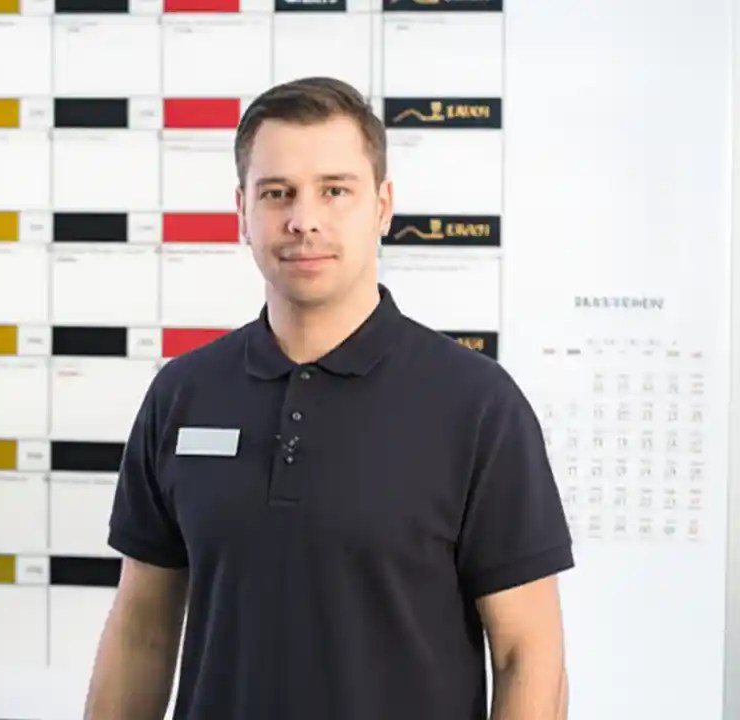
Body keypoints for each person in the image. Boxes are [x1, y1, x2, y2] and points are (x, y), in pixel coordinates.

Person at [83, 77, 574, 720]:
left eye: (335, 191)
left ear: (382, 205)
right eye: (276, 193)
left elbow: (528, 657)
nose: (303, 219)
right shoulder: (182, 394)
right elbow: (141, 630)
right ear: (242, 210)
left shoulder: (477, 405)